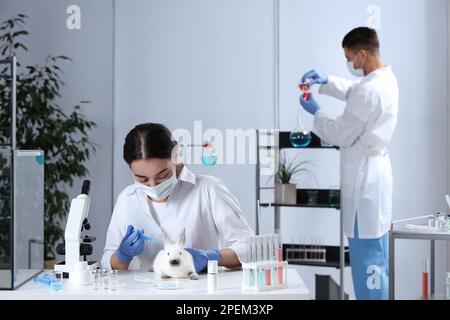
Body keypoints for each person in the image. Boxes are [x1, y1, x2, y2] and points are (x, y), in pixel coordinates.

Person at [299, 27, 399, 299]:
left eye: (350, 58)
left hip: (364, 187)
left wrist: (315, 111)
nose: (349, 64)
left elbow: (338, 134)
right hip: (374, 181)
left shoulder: (369, 92)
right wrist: (326, 81)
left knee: (369, 265)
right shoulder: (385, 80)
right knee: (376, 259)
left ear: (363, 54)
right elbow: (356, 90)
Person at [101, 123, 254, 273]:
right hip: (142, 294)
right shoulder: (127, 199)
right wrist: (122, 255)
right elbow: (108, 261)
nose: (153, 185)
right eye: (142, 179)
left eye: (162, 175)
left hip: (197, 292)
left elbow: (250, 247)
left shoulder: (208, 189)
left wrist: (211, 257)